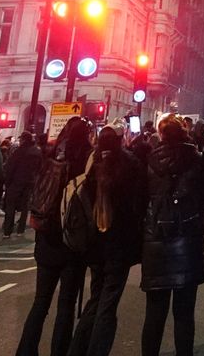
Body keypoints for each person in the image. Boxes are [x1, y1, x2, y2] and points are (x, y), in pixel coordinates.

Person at [14, 118, 92, 356]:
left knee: (41, 302)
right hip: (71, 238)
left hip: (46, 236)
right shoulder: (86, 159)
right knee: (66, 304)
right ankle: (60, 351)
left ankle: (26, 350)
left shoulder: (48, 155)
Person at [139, 116, 204, 356]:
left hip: (156, 240)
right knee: (184, 313)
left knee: (154, 313)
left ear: (161, 135)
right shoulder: (197, 159)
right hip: (187, 240)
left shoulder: (148, 162)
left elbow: (139, 202)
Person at [73, 127, 147, 356]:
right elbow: (139, 204)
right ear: (120, 140)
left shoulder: (92, 164)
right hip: (119, 244)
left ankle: (77, 349)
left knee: (96, 298)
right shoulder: (129, 164)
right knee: (108, 304)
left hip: (95, 243)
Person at [1, 133, 43, 237]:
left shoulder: (18, 152)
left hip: (16, 181)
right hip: (30, 182)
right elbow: (40, 168)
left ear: (23, 140)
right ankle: (21, 229)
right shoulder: (37, 152)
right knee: (25, 206)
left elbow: (10, 167)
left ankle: (7, 230)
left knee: (11, 206)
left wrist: (7, 182)